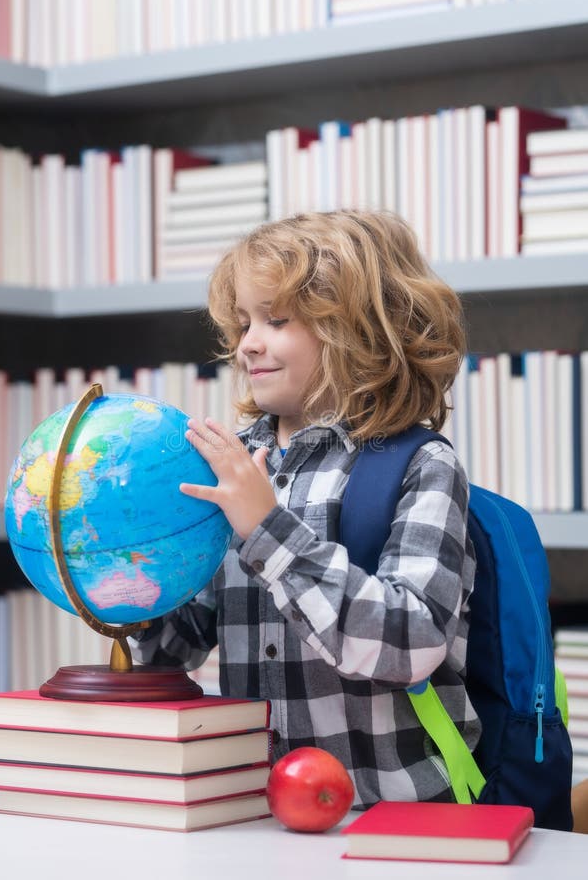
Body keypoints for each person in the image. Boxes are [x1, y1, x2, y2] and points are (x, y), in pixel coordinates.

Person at [130, 210, 480, 807]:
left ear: (364, 330)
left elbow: (413, 642)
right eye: (243, 323)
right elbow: (176, 648)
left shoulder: (422, 465)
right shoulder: (232, 466)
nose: (247, 344)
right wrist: (128, 584)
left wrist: (266, 529)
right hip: (254, 811)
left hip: (388, 814)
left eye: (278, 319)